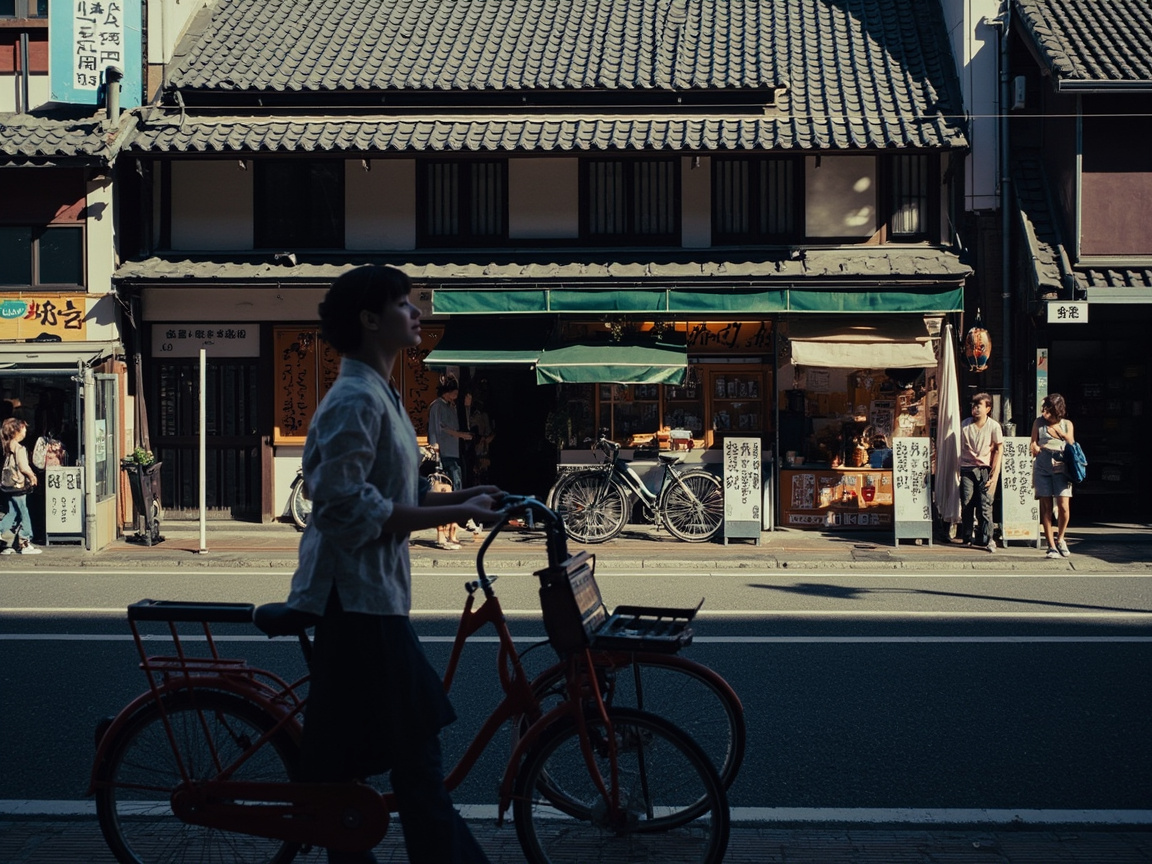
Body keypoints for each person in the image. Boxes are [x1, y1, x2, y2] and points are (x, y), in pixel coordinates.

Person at [283, 265, 500, 864]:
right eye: (405, 304)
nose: (417, 314)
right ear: (370, 319)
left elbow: (392, 493)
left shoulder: (383, 394)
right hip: (351, 601)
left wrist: (464, 500)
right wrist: (441, 516)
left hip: (372, 598)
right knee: (417, 768)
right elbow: (342, 504)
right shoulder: (354, 397)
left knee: (377, 769)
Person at [1031, 392, 1075, 560]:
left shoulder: (1066, 424)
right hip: (1042, 466)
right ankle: (1050, 546)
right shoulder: (1038, 422)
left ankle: (1061, 538)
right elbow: (1033, 441)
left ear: (1057, 410)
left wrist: (1058, 431)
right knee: (1046, 507)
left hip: (1061, 468)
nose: (1044, 413)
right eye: (1044, 409)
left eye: (1048, 410)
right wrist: (1034, 446)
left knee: (1064, 505)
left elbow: (1071, 442)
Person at [958, 392, 1003, 552]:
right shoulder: (965, 424)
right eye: (973, 405)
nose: (975, 409)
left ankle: (987, 538)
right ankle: (967, 536)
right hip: (967, 468)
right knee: (967, 503)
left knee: (985, 505)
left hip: (985, 468)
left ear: (988, 408)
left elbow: (999, 448)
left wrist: (994, 472)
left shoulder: (994, 426)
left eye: (979, 406)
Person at [0, 418, 42, 555]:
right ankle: (24, 541)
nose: (26, 431)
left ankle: (4, 538)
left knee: (13, 512)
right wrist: (32, 476)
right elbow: (23, 467)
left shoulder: (7, 446)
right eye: (24, 428)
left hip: (9, 485)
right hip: (18, 485)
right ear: (16, 430)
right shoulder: (19, 448)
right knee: (24, 512)